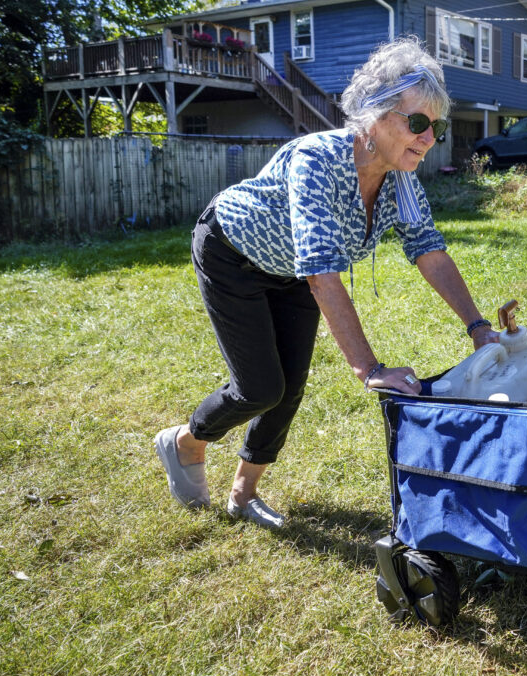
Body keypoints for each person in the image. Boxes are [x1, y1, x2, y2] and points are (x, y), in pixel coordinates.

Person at [154, 38, 497, 529]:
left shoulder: (401, 179)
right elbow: (321, 272)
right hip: (233, 251)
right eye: (417, 122)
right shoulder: (317, 158)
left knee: (288, 388)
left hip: (292, 268)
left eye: (436, 127)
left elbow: (429, 250)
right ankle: (185, 443)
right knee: (259, 387)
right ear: (374, 114)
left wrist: (478, 327)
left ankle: (243, 493)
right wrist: (369, 367)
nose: (428, 138)